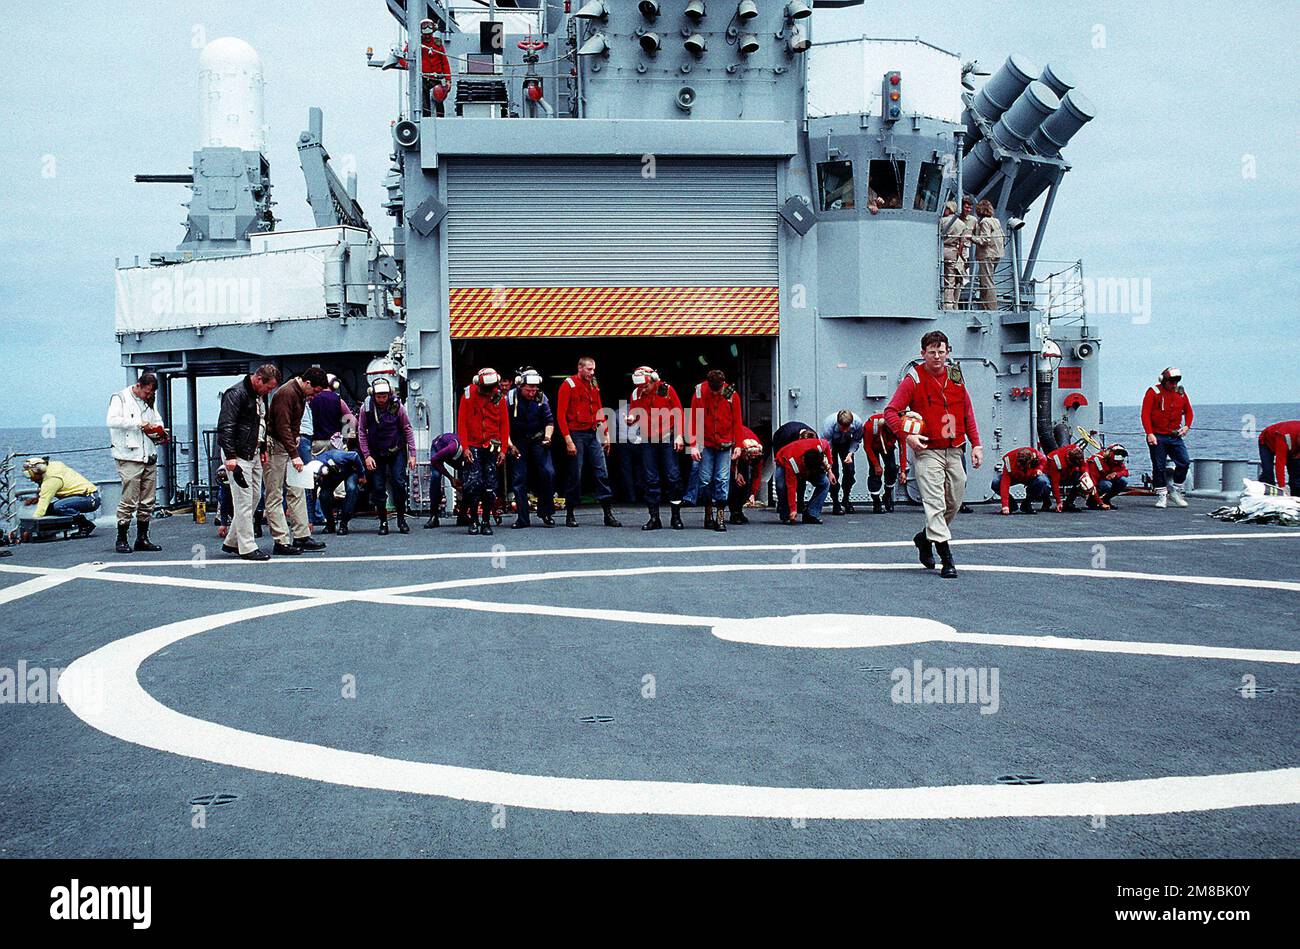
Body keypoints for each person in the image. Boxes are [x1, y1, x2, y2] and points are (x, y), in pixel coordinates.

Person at [884, 331, 983, 579]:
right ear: (923, 354)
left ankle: (924, 537)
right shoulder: (913, 379)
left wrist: (977, 444)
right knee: (935, 503)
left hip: (955, 449)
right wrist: (907, 437)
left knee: (955, 501)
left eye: (941, 351)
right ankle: (946, 558)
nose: (937, 356)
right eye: (932, 352)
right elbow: (890, 412)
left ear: (947, 352)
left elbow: (966, 412)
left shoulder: (955, 375)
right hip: (928, 451)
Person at [217, 364, 280, 561]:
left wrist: (261, 449)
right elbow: (226, 426)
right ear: (259, 380)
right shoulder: (236, 394)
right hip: (239, 455)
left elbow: (259, 424)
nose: (269, 391)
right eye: (269, 387)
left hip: (252, 452)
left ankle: (232, 541)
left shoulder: (259, 395)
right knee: (244, 501)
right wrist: (230, 456)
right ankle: (247, 546)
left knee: (253, 498)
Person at [265, 368, 329, 555]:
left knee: (297, 489)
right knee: (274, 495)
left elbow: (291, 425)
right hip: (277, 448)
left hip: (287, 445)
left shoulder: (299, 394)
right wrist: (295, 455)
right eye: (315, 391)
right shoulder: (287, 393)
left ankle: (301, 535)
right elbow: (282, 426)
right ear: (307, 383)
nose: (315, 395)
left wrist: (295, 439)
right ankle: (281, 541)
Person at [105, 371, 166, 553]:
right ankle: (121, 538)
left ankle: (142, 538)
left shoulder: (149, 401)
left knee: (148, 500)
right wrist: (139, 423)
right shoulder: (120, 398)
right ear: (138, 385)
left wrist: (160, 431)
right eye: (147, 392)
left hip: (148, 454)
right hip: (129, 456)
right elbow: (112, 420)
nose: (149, 396)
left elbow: (158, 420)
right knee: (129, 499)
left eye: (151, 393)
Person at [556, 356, 619, 528]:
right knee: (575, 474)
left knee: (602, 472)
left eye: (593, 369)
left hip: (592, 433)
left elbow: (599, 409)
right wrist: (568, 440)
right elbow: (560, 415)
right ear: (580, 368)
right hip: (576, 433)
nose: (592, 372)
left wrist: (605, 434)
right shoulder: (568, 385)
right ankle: (570, 514)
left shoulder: (593, 384)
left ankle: (608, 514)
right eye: (589, 369)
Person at [683, 369, 744, 532]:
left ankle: (720, 517)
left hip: (724, 443)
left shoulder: (731, 394)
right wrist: (693, 444)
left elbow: (737, 422)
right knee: (704, 479)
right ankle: (708, 513)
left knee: (722, 479)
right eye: (713, 388)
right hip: (705, 442)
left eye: (718, 388)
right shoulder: (699, 392)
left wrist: (739, 445)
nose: (716, 392)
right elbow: (693, 419)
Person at [628, 366, 685, 531]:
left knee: (673, 477)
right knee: (650, 478)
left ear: (653, 380)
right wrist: (631, 419)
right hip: (647, 439)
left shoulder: (666, 389)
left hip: (667, 437)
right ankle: (654, 518)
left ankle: (676, 517)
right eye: (640, 387)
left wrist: (680, 435)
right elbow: (634, 412)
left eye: (645, 386)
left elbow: (679, 412)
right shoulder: (636, 393)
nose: (642, 389)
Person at [359, 376, 418, 535]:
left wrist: (412, 454)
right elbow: (361, 433)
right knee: (377, 487)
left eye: (384, 396)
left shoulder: (397, 406)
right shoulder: (366, 408)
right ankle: (383, 521)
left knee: (399, 483)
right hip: (375, 453)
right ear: (373, 395)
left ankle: (401, 518)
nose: (382, 399)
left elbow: (407, 429)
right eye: (378, 396)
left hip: (395, 451)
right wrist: (366, 456)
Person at [457, 368, 508, 536]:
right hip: (473, 445)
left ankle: (486, 520)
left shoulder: (498, 397)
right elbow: (462, 423)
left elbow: (504, 424)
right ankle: (474, 520)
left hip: (492, 445)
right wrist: (465, 448)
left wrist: (504, 450)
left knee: (490, 485)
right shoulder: (468, 395)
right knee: (473, 484)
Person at [505, 367, 557, 529]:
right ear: (520, 386)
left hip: (538, 439)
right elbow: (503, 425)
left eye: (535, 389)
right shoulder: (510, 398)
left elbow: (549, 421)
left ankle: (545, 511)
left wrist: (548, 438)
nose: (532, 392)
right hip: (517, 442)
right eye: (529, 389)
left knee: (548, 472)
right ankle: (522, 518)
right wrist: (510, 445)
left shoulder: (542, 398)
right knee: (519, 478)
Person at [1142, 367, 1194, 508]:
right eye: (1171, 382)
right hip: (1157, 436)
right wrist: (1149, 433)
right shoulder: (1154, 392)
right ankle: (1162, 495)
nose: (1174, 385)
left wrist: (1187, 426)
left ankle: (1176, 491)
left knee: (1184, 462)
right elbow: (1145, 414)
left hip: (1174, 435)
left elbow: (1189, 411)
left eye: (1176, 382)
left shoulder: (1180, 393)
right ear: (1164, 380)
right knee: (1159, 467)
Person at [21, 457, 100, 537]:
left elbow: (43, 504)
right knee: (49, 510)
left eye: (29, 475)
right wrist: (38, 499)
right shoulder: (53, 466)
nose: (30, 479)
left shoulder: (51, 480)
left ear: (39, 472)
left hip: (90, 498)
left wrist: (29, 529)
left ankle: (85, 524)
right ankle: (50, 533)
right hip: (81, 497)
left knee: (59, 507)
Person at [774, 435, 834, 524]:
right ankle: (787, 514)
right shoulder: (792, 462)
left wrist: (830, 471)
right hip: (783, 460)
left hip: (810, 463)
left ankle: (811, 513)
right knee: (781, 486)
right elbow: (791, 488)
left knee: (825, 483)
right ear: (803, 461)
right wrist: (793, 509)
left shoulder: (819, 446)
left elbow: (827, 446)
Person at [312, 438, 365, 534]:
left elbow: (355, 456)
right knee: (324, 495)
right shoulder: (315, 471)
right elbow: (312, 497)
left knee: (351, 489)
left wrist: (361, 475)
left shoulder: (337, 457)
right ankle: (330, 524)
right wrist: (309, 520)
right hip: (333, 475)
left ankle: (344, 524)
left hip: (350, 470)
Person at [821, 409, 864, 515]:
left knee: (850, 471)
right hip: (831, 446)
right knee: (834, 473)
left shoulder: (858, 423)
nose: (845, 430)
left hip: (847, 443)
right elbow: (826, 449)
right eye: (842, 428)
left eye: (847, 428)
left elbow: (856, 440)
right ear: (838, 423)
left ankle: (846, 498)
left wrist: (850, 454)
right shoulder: (828, 426)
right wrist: (829, 469)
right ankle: (836, 502)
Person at [864, 411, 906, 513]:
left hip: (888, 446)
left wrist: (903, 471)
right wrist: (876, 465)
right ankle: (876, 502)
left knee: (892, 469)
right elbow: (867, 447)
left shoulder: (900, 428)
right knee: (875, 473)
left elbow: (902, 449)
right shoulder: (871, 425)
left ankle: (887, 496)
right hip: (873, 447)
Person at [424, 432, 467, 528]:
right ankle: (433, 516)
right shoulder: (451, 448)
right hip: (438, 449)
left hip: (456, 454)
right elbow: (435, 460)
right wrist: (451, 478)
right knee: (436, 476)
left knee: (467, 479)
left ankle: (462, 514)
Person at [994, 447, 1050, 515]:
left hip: (1030, 475)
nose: (1021, 468)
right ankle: (1011, 505)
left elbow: (1044, 460)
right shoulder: (1009, 460)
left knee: (1042, 481)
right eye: (1019, 465)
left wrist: (1039, 469)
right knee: (996, 483)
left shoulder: (1035, 455)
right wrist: (1005, 505)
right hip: (1015, 476)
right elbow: (1004, 484)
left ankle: (1027, 503)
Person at [972, 199, 1006, 311]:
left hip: (987, 254)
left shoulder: (984, 222)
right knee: (988, 280)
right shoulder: (996, 221)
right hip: (997, 253)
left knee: (986, 282)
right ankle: (986, 305)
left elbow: (985, 239)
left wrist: (971, 238)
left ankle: (990, 308)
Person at [728, 428, 765, 525]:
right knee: (733, 483)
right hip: (732, 453)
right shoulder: (737, 447)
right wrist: (736, 473)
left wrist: (753, 493)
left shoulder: (758, 454)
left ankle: (739, 511)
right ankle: (734, 513)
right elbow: (730, 462)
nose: (752, 460)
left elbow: (757, 473)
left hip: (743, 453)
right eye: (750, 458)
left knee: (744, 484)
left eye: (754, 458)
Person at [940, 200, 970, 309]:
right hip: (953, 251)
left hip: (940, 249)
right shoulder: (962, 224)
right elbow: (962, 242)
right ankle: (948, 304)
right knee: (950, 278)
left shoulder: (942, 221)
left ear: (949, 209)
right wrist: (959, 254)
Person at [419, 18, 451, 118]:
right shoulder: (417, 43)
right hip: (424, 78)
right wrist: (407, 66)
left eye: (429, 34)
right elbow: (405, 56)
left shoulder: (437, 43)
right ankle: (426, 119)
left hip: (436, 78)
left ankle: (441, 118)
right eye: (425, 34)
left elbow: (444, 62)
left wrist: (448, 80)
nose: (428, 36)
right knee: (424, 101)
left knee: (439, 97)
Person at [1258, 420, 1300, 496]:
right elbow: (1280, 463)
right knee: (1268, 471)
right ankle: (1265, 495)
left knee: (1296, 474)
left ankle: (1297, 498)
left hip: (1293, 447)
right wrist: (1282, 486)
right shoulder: (1284, 435)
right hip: (1267, 443)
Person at [1085, 443, 1129, 509]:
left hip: (1106, 481)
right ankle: (1092, 501)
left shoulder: (1118, 462)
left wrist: (1116, 474)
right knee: (1106, 485)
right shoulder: (1096, 460)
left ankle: (1106, 499)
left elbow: (1125, 472)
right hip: (1096, 482)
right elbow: (1092, 484)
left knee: (1123, 481)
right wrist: (1100, 503)